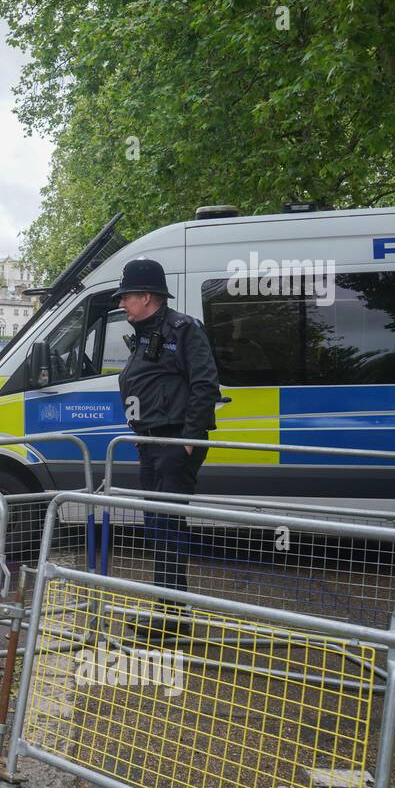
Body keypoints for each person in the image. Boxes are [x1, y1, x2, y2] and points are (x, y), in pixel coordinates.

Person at [115, 256, 220, 633]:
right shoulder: (145, 333)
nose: (122, 303)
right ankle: (167, 612)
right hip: (152, 441)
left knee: (168, 527)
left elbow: (205, 384)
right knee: (158, 527)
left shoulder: (184, 329)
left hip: (174, 441)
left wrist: (189, 439)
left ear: (147, 296)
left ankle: (172, 620)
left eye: (127, 296)